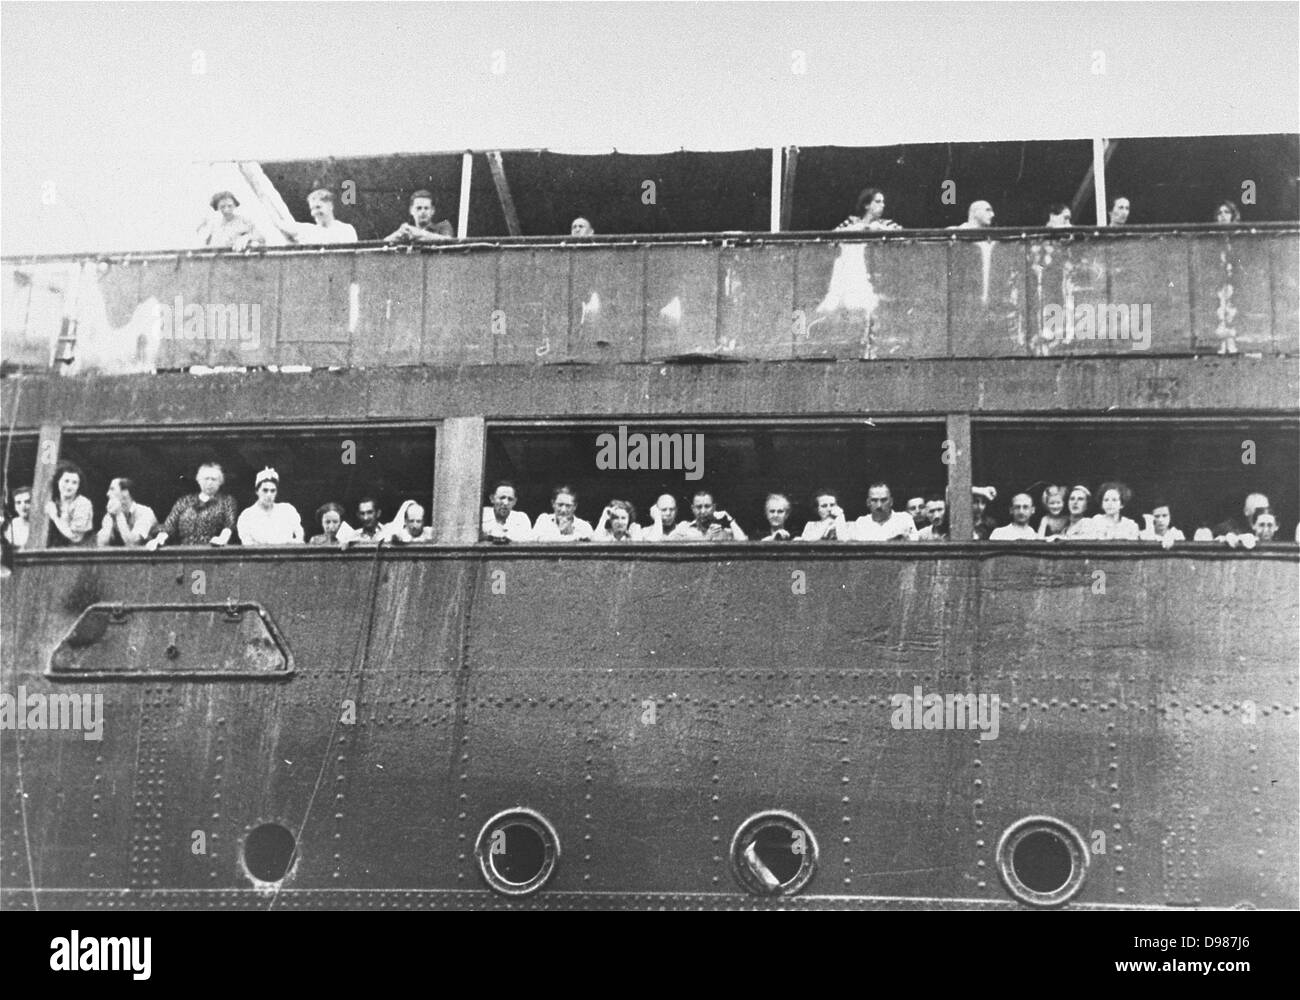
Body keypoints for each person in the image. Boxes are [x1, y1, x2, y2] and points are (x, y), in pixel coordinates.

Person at [148, 462, 237, 548]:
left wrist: (222, 539)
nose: (209, 483)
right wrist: (159, 540)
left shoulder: (226, 501)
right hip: (185, 552)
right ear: (199, 480)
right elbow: (169, 526)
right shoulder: (184, 501)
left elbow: (229, 525)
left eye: (214, 479)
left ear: (220, 482)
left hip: (212, 551)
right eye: (206, 479)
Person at [236, 468, 304, 545]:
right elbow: (247, 544)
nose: (269, 495)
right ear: (257, 491)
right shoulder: (247, 516)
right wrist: (287, 541)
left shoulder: (288, 510)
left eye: (272, 491)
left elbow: (300, 537)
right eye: (265, 490)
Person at [273, 189, 358, 245]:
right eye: (312, 209)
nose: (314, 213)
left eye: (318, 207)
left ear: (330, 206)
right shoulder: (308, 230)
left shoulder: (346, 230)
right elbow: (280, 224)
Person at [96, 477, 157, 547]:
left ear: (125, 493)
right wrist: (110, 517)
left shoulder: (145, 513)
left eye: (112, 489)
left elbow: (132, 543)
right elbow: (101, 544)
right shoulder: (112, 514)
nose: (107, 494)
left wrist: (119, 515)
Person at [197, 190, 267, 250]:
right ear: (217, 208)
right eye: (222, 207)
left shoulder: (244, 221)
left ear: (235, 205)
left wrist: (247, 237)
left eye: (229, 206)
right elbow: (203, 243)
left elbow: (261, 238)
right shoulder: (213, 224)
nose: (226, 210)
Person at [46, 461, 94, 547]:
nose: (69, 486)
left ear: (79, 486)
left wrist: (54, 517)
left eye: (74, 482)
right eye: (66, 481)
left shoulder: (82, 503)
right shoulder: (53, 501)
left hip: (79, 550)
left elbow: (76, 537)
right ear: (58, 481)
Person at [669, 491, 748, 541]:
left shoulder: (724, 530)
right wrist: (706, 537)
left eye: (707, 506)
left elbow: (744, 543)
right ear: (693, 508)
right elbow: (666, 542)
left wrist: (730, 520)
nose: (703, 511)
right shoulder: (684, 528)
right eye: (699, 507)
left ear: (714, 507)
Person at [850, 483, 917, 541]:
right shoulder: (861, 523)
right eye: (874, 500)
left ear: (891, 502)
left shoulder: (904, 519)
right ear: (868, 503)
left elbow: (914, 547)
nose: (879, 505)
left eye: (884, 500)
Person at [384, 190, 453, 243]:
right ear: (411, 210)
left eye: (426, 208)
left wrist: (419, 233)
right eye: (419, 208)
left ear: (432, 211)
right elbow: (383, 243)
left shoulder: (444, 226)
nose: (423, 212)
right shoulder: (408, 232)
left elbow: (450, 241)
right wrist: (398, 234)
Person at [836, 188, 902, 232]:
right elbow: (830, 240)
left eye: (883, 202)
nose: (883, 205)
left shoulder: (888, 223)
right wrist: (853, 228)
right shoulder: (851, 222)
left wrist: (881, 228)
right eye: (878, 201)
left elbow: (908, 240)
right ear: (866, 205)